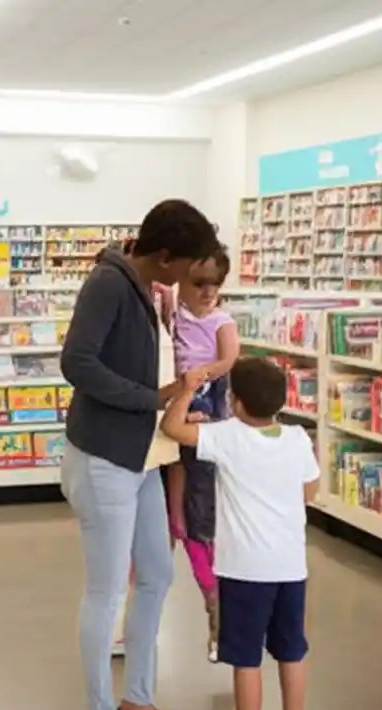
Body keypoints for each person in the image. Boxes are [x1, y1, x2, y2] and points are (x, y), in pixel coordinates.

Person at [60, 198, 220, 710]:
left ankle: (139, 698)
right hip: (106, 455)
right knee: (106, 591)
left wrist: (172, 404)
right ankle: (99, 709)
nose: (193, 277)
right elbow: (76, 362)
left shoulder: (149, 291)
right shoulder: (109, 283)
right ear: (167, 257)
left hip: (144, 456)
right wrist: (149, 398)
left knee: (155, 573)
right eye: (190, 266)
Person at [159, 357, 320, 710]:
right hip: (290, 566)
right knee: (292, 650)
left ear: (235, 402)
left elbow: (172, 427)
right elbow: (309, 491)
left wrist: (186, 389)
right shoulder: (297, 439)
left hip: (244, 570)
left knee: (246, 658)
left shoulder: (226, 435)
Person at [162, 249, 238, 662]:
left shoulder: (220, 320)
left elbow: (229, 358)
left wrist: (198, 379)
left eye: (215, 284)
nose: (208, 292)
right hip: (174, 404)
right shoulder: (176, 313)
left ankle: (217, 613)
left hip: (203, 404)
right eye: (199, 284)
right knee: (176, 499)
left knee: (194, 516)